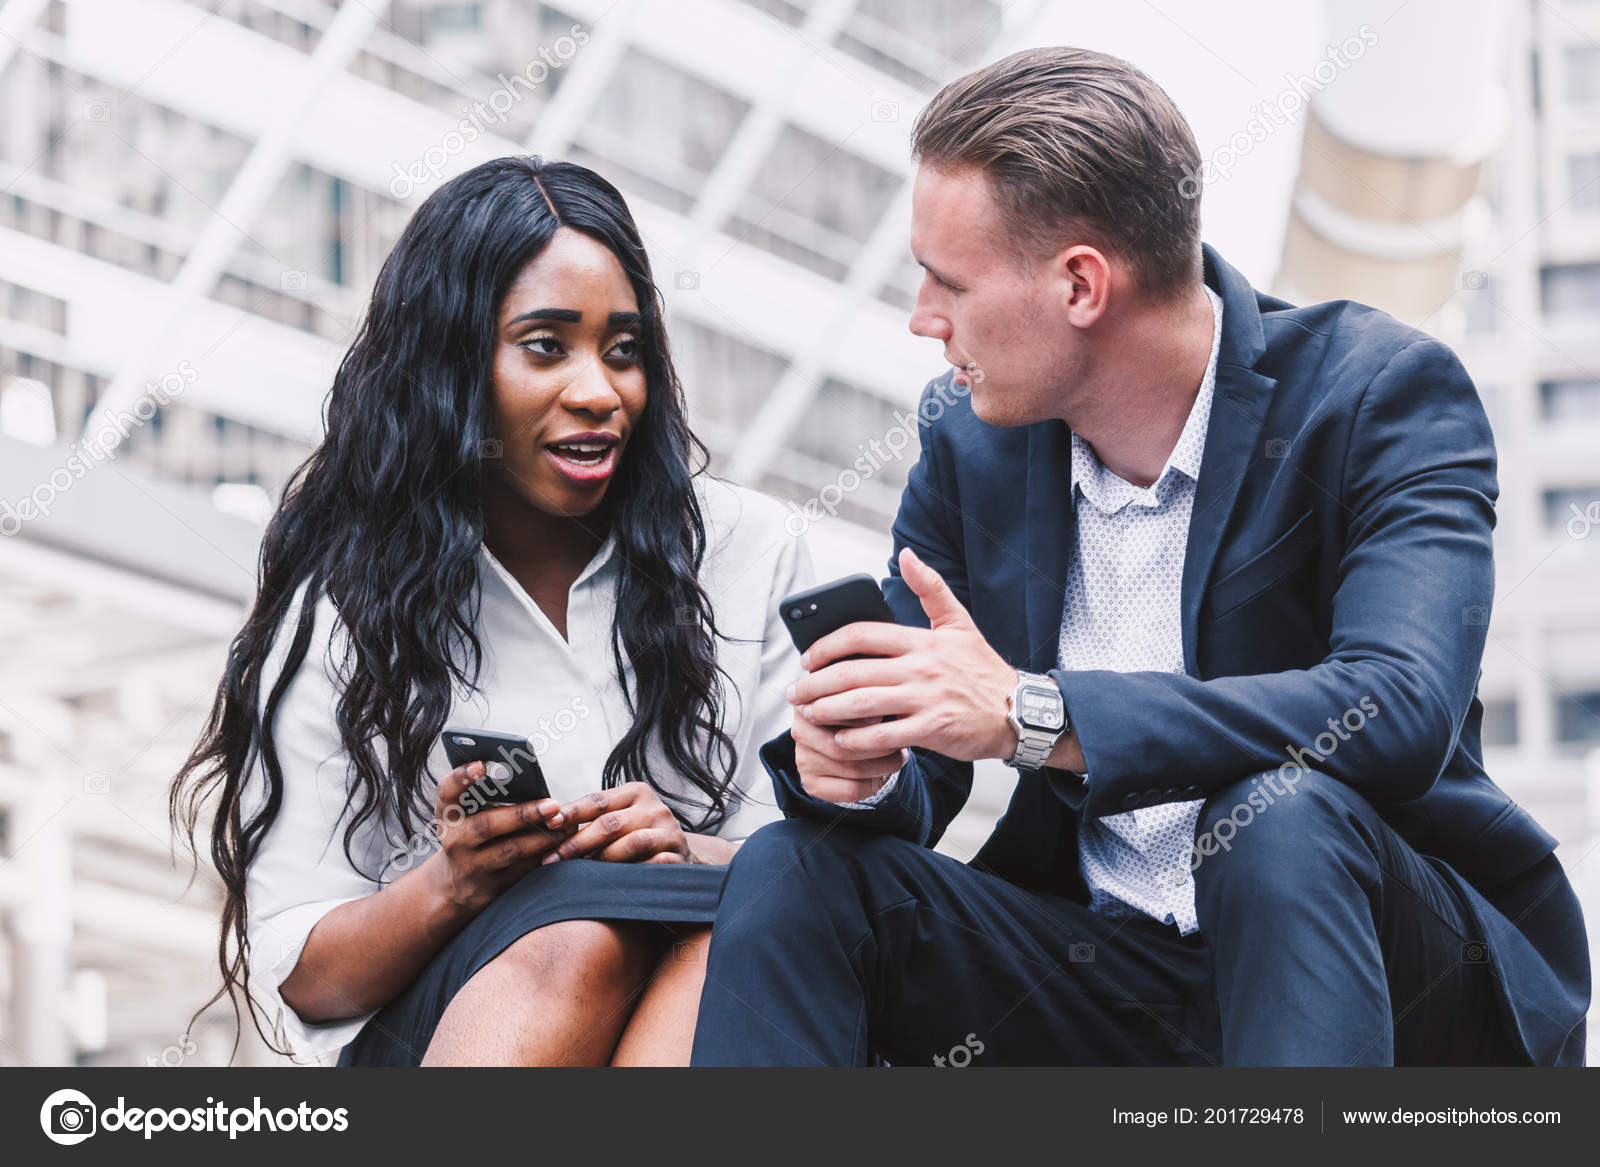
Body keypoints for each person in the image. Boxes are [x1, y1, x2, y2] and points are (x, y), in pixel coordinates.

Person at [689, 47, 1589, 1067]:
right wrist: (861, 767)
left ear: (1080, 285)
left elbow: (1396, 707)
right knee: (793, 870)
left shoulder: (1376, 395)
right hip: (1108, 970)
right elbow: (937, 753)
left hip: (1387, 969)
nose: (922, 319)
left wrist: (1039, 716)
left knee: (1274, 816)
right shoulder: (969, 441)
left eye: (949, 283)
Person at [170, 156, 809, 1066]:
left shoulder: (754, 550)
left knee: (717, 954)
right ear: (453, 366)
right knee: (578, 934)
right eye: (547, 346)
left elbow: (823, 872)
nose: (599, 392)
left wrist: (686, 852)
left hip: (705, 977)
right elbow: (303, 970)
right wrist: (458, 881)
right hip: (455, 1025)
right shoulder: (348, 603)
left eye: (623, 351)